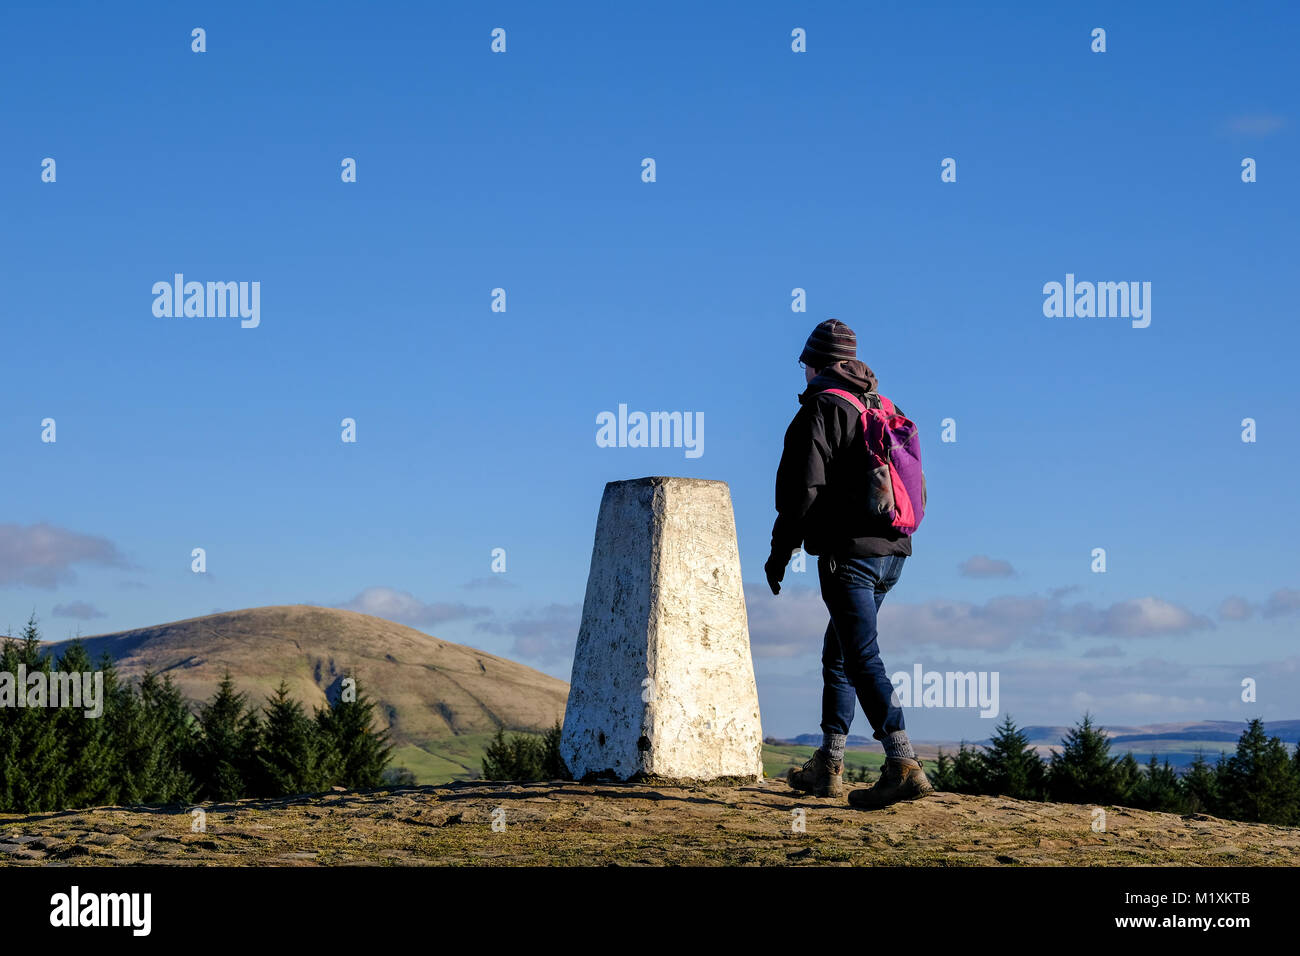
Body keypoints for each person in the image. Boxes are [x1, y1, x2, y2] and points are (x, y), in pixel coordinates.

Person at [764, 318, 933, 809]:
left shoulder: (822, 407)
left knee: (860, 657)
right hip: (893, 554)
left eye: (805, 364)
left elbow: (802, 491)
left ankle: (902, 762)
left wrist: (780, 552)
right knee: (839, 653)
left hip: (849, 555)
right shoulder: (884, 405)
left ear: (816, 363)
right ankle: (829, 765)